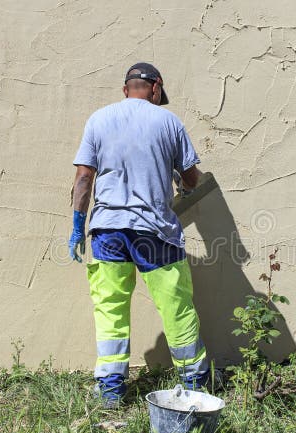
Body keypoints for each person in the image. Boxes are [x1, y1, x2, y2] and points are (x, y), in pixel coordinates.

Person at [69, 62, 211, 407]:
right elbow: (192, 179)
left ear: (126, 89)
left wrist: (77, 226)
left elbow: (84, 178)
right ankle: (195, 383)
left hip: (107, 232)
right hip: (155, 232)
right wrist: (181, 182)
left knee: (111, 309)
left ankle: (112, 390)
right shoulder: (168, 121)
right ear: (156, 87)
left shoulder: (98, 120)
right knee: (176, 307)